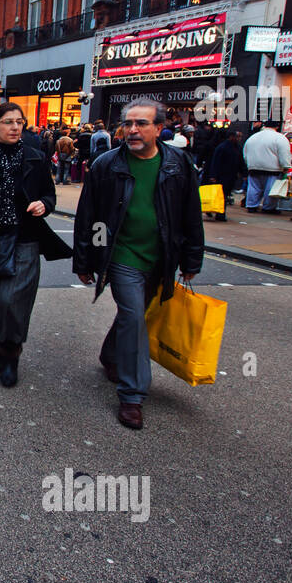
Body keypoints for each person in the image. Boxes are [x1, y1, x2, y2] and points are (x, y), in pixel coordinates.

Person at [72, 97, 204, 430]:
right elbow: (90, 217)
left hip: (161, 256)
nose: (133, 130)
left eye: (141, 124)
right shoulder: (106, 165)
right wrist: (88, 258)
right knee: (133, 315)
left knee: (135, 316)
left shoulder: (179, 164)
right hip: (122, 254)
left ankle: (111, 355)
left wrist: (191, 257)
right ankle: (132, 395)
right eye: (128, 123)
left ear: (159, 129)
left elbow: (191, 214)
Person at [0, 103, 71, 387]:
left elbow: (49, 195)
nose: (15, 127)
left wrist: (43, 204)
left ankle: (11, 357)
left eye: (19, 122)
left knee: (13, 302)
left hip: (25, 238)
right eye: (8, 122)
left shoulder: (35, 158)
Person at [242, 118, 292, 214]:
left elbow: (245, 153)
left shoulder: (253, 137)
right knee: (270, 189)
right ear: (277, 126)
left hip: (254, 167)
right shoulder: (279, 138)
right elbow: (284, 153)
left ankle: (251, 205)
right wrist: (286, 166)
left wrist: (249, 164)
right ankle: (268, 207)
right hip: (273, 169)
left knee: (253, 188)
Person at [205, 129, 245, 222]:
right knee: (222, 195)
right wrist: (213, 176)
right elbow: (216, 162)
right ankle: (220, 214)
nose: (239, 138)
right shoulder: (222, 147)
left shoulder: (237, 147)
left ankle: (220, 212)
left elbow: (240, 161)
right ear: (231, 137)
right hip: (222, 175)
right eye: (237, 136)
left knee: (225, 194)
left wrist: (243, 172)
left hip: (230, 175)